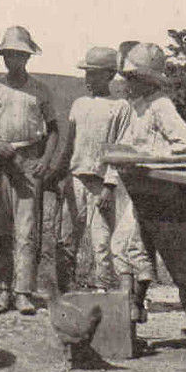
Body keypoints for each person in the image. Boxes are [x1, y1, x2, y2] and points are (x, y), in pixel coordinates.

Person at [0, 26, 69, 315]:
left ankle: (23, 292)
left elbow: (54, 129)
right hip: (0, 161)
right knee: (0, 227)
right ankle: (2, 290)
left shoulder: (39, 90)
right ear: (2, 57)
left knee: (27, 227)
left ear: (27, 58)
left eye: (18, 55)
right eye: (8, 55)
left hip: (31, 160)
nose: (12, 60)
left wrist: (46, 160)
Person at [111, 42, 186, 322]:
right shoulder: (137, 108)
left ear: (147, 80)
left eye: (134, 78)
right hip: (138, 189)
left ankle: (134, 304)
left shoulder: (161, 106)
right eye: (128, 78)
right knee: (128, 245)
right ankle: (133, 306)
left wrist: (152, 156)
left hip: (156, 188)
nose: (128, 84)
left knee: (132, 244)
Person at [62, 46, 130, 292]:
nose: (87, 79)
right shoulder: (79, 104)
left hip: (101, 184)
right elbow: (70, 144)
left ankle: (104, 288)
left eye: (93, 74)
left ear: (109, 76)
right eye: (86, 73)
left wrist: (110, 187)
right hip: (75, 179)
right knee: (68, 237)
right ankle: (66, 287)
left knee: (101, 240)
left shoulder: (120, 107)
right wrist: (59, 175)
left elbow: (120, 151)